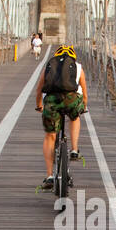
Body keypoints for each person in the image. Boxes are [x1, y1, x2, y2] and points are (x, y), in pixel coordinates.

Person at [35, 45, 87, 190]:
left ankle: (50, 175)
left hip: (52, 102)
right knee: (75, 117)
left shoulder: (49, 67)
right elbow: (85, 91)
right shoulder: (77, 67)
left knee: (50, 136)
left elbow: (39, 89)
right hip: (71, 100)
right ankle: (75, 150)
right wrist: (83, 106)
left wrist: (39, 105)